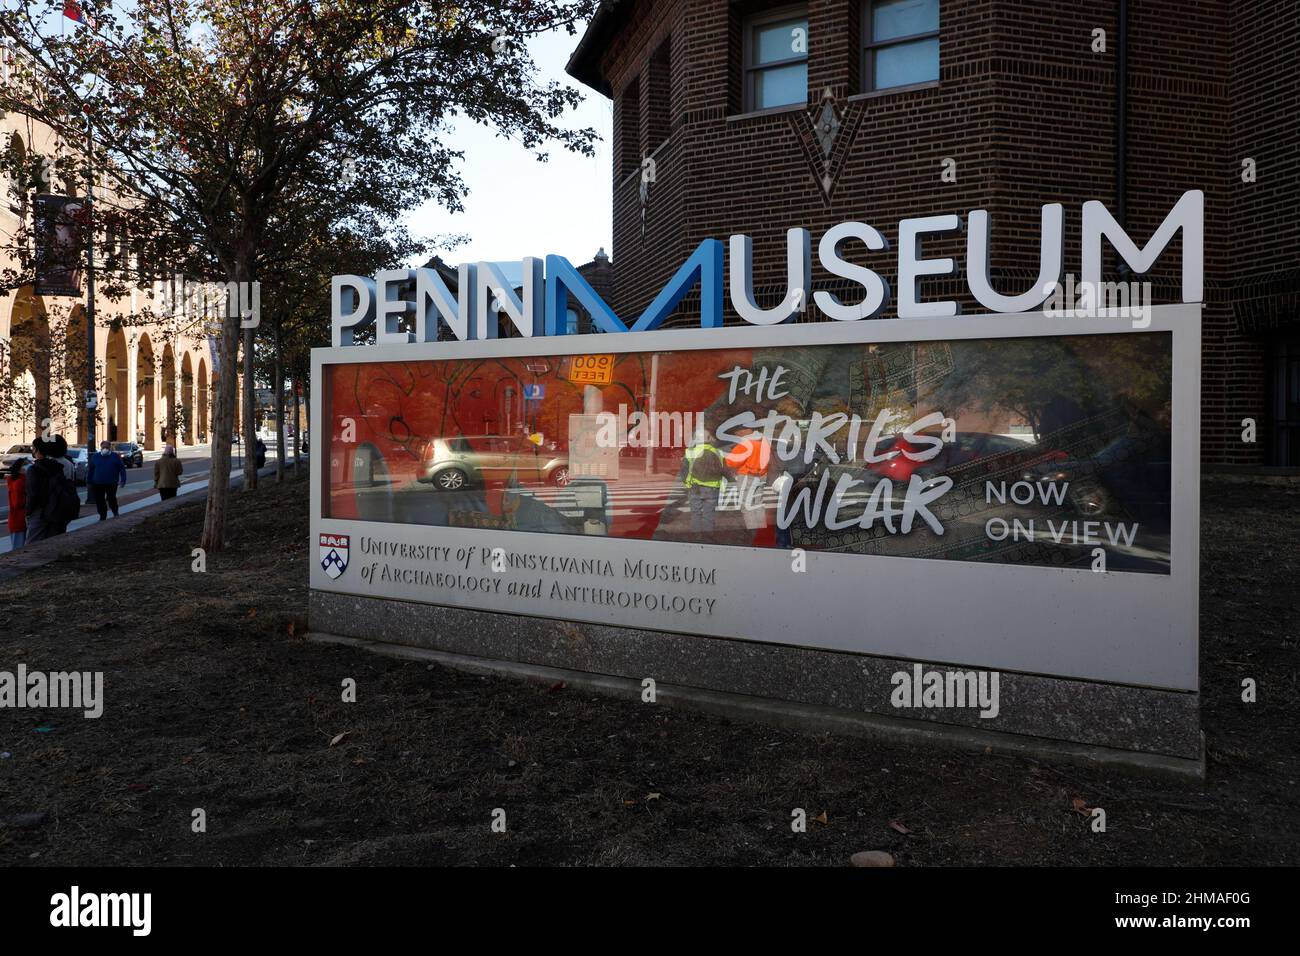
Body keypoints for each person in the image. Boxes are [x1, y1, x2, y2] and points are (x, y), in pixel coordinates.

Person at [25, 437, 79, 542]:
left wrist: (28, 511)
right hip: (61, 508)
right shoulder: (67, 464)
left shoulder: (38, 467)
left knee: (33, 543)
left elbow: (33, 493)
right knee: (56, 540)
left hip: (43, 510)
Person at [680, 425, 729, 535]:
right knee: (709, 515)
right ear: (709, 438)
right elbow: (725, 470)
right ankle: (708, 538)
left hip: (695, 487)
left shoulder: (690, 452)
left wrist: (686, 484)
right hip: (713, 488)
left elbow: (684, 471)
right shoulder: (718, 452)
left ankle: (696, 538)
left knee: (695, 514)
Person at [725, 427, 773, 532]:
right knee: (758, 504)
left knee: (747, 506)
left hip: (747, 476)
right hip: (762, 475)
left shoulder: (746, 444)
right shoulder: (764, 441)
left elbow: (731, 462)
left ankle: (753, 531)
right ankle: (761, 531)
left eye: (736, 432)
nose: (737, 435)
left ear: (744, 430)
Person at [88, 440, 127, 520]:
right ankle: (103, 516)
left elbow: (122, 469)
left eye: (107, 447)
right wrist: (89, 480)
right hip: (97, 483)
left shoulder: (115, 456)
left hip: (111, 483)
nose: (105, 449)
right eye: (103, 447)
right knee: (100, 500)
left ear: (110, 448)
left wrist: (123, 480)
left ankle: (115, 512)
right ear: (101, 447)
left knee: (111, 498)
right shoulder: (95, 456)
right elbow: (91, 469)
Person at [6, 458, 27, 549]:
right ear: (20, 468)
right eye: (25, 465)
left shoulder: (18, 481)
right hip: (19, 520)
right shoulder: (19, 483)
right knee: (18, 549)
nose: (27, 467)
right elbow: (17, 503)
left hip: (17, 520)